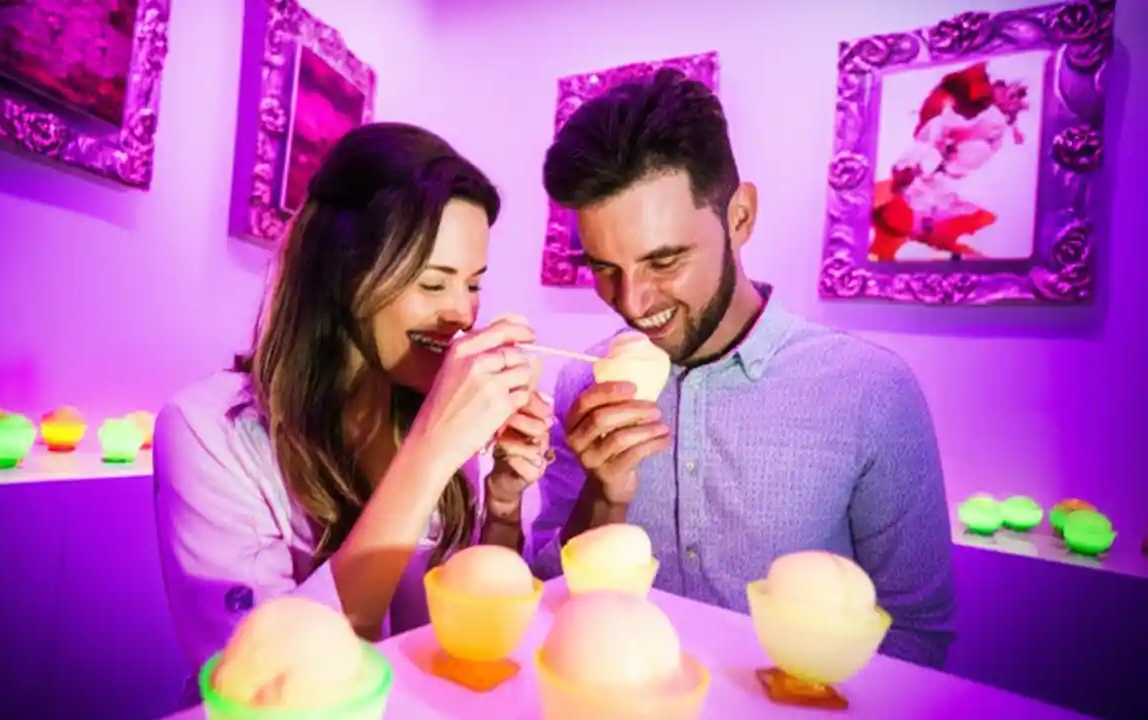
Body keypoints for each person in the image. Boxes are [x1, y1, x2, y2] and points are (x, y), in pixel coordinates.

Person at [530, 69, 955, 668]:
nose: (632, 302)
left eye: (665, 259)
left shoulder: (871, 393)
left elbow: (916, 638)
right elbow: (551, 599)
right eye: (604, 267)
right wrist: (604, 495)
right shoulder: (582, 384)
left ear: (741, 217)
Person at [153, 123, 553, 682]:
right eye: (433, 285)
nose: (462, 313)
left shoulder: (436, 409)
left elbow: (472, 626)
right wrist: (431, 451)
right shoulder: (206, 430)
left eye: (474, 284)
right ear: (342, 275)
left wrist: (505, 502)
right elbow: (273, 682)